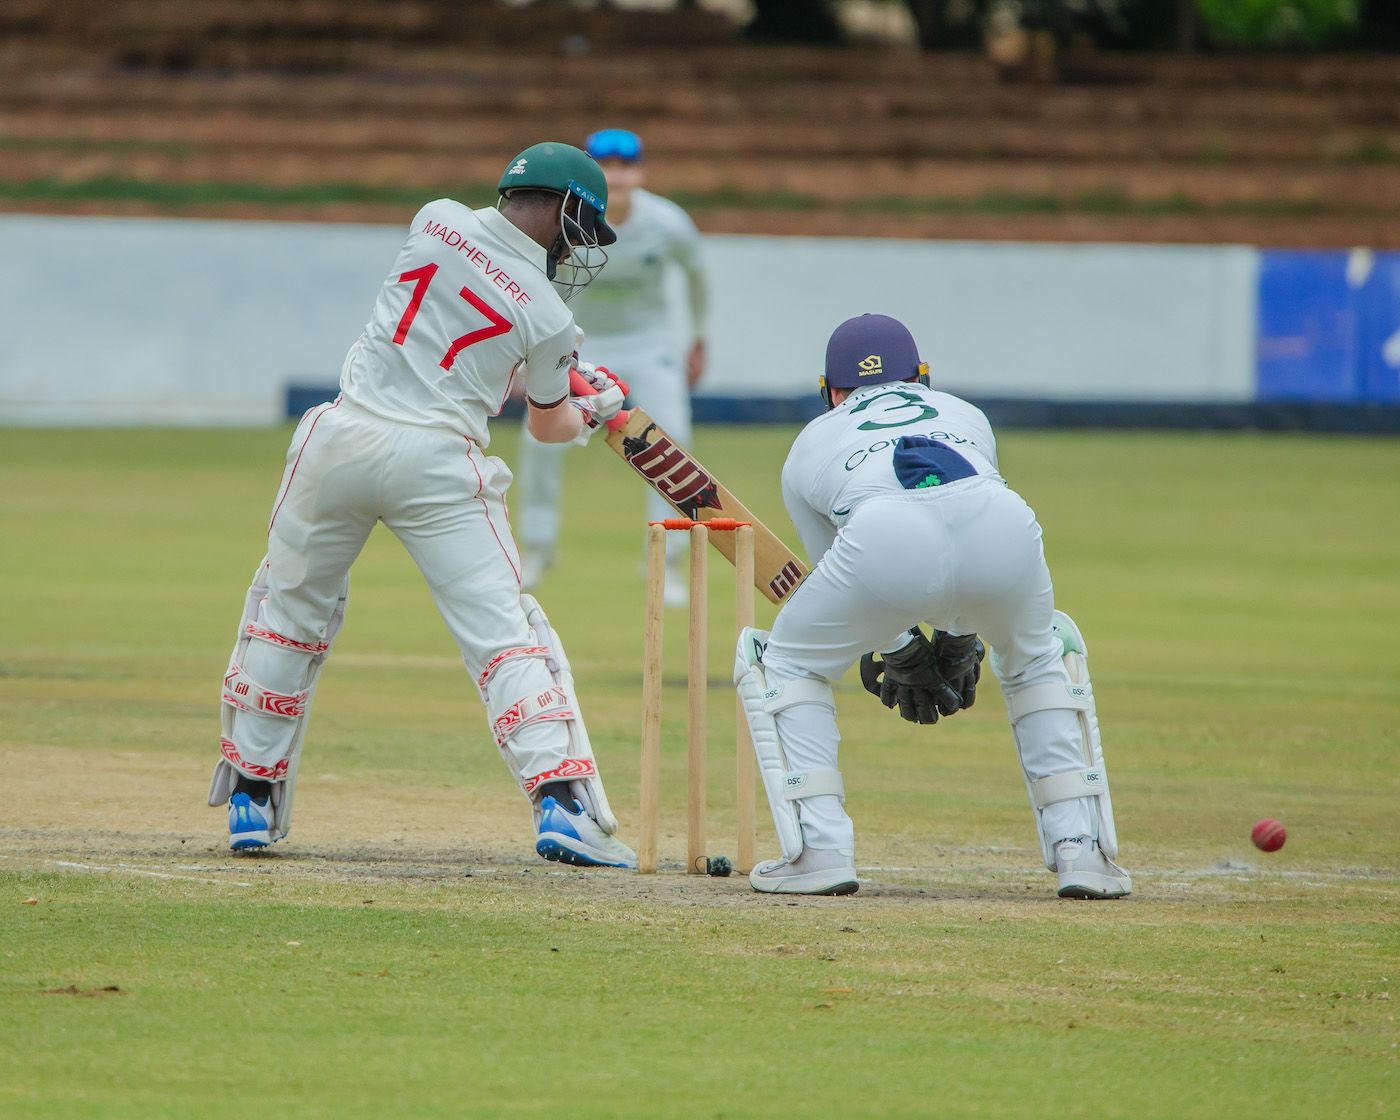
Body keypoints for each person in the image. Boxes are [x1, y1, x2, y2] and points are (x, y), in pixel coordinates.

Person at [208, 141, 638, 870]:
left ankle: (252, 795)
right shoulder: (548, 315)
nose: (579, 247)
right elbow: (545, 422)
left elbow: (450, 339)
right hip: (438, 463)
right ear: (565, 209)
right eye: (580, 229)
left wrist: (553, 373)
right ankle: (561, 805)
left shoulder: (433, 218)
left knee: (287, 610)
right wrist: (593, 405)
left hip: (339, 440)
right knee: (504, 633)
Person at [733, 313, 1131, 899]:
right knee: (1037, 657)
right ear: (922, 379)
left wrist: (898, 649)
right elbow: (957, 524)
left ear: (831, 393)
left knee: (789, 663)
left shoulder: (811, 444)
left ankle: (820, 850)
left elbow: (837, 572)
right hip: (1003, 525)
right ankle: (1083, 853)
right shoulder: (966, 414)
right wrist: (960, 635)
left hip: (883, 536)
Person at [515, 127, 709, 605]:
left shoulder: (668, 223)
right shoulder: (565, 219)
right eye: (605, 165)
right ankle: (536, 548)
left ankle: (669, 563)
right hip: (580, 343)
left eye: (626, 166)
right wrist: (526, 351)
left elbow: (697, 277)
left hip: (650, 345)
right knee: (538, 439)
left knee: (674, 439)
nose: (616, 176)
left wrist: (699, 338)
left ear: (640, 171)